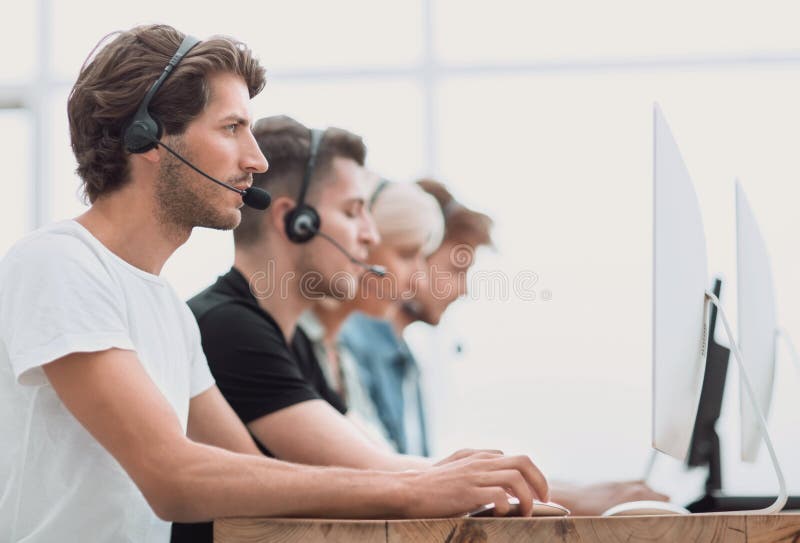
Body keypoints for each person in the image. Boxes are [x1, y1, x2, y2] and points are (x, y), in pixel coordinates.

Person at [0, 26, 549, 543]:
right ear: (147, 138)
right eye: (232, 128)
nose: (256, 160)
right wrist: (414, 489)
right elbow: (172, 475)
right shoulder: (59, 265)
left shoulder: (165, 307)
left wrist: (463, 491)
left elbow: (257, 480)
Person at [341, 178, 672, 513]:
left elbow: (421, 474)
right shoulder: (358, 345)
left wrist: (574, 491)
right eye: (457, 269)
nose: (463, 289)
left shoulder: (400, 357)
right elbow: (397, 478)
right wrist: (573, 498)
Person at [300, 174, 445, 449]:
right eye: (405, 255)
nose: (418, 279)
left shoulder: (341, 357)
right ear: (361, 245)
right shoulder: (298, 343)